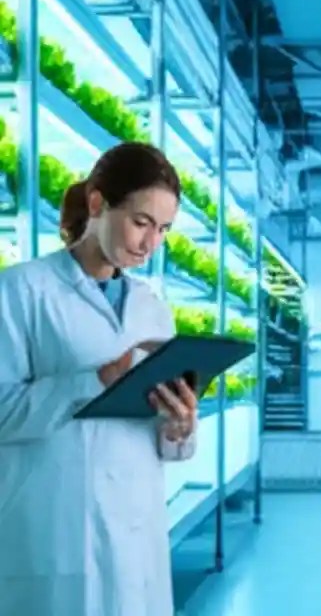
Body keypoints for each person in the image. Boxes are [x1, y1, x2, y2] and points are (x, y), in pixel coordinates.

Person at [0, 142, 200, 616]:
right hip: (55, 531)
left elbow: (160, 435)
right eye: (140, 222)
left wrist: (179, 430)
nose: (151, 244)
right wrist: (93, 381)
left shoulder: (152, 308)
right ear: (97, 204)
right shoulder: (22, 290)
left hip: (136, 534)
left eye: (164, 230)